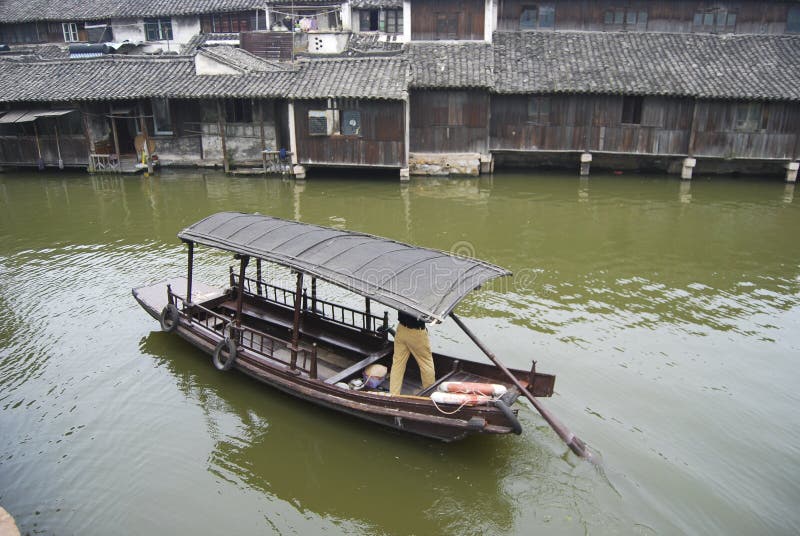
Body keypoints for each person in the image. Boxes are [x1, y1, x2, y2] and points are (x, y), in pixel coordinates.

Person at [389, 311, 435, 396]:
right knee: (426, 363)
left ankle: (393, 394)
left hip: (401, 329)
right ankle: (429, 394)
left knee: (398, 363)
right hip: (417, 333)